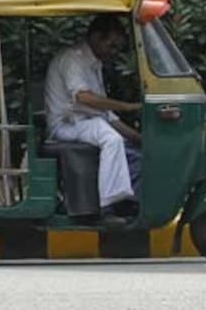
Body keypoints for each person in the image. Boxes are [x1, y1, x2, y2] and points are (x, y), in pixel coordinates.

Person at [44, 15, 143, 227]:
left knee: (134, 153)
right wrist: (127, 107)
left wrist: (137, 138)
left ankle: (128, 203)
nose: (113, 51)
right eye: (111, 45)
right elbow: (84, 98)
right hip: (65, 125)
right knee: (111, 139)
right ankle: (108, 206)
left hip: (84, 124)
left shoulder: (94, 64)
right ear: (97, 37)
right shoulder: (73, 59)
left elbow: (107, 115)